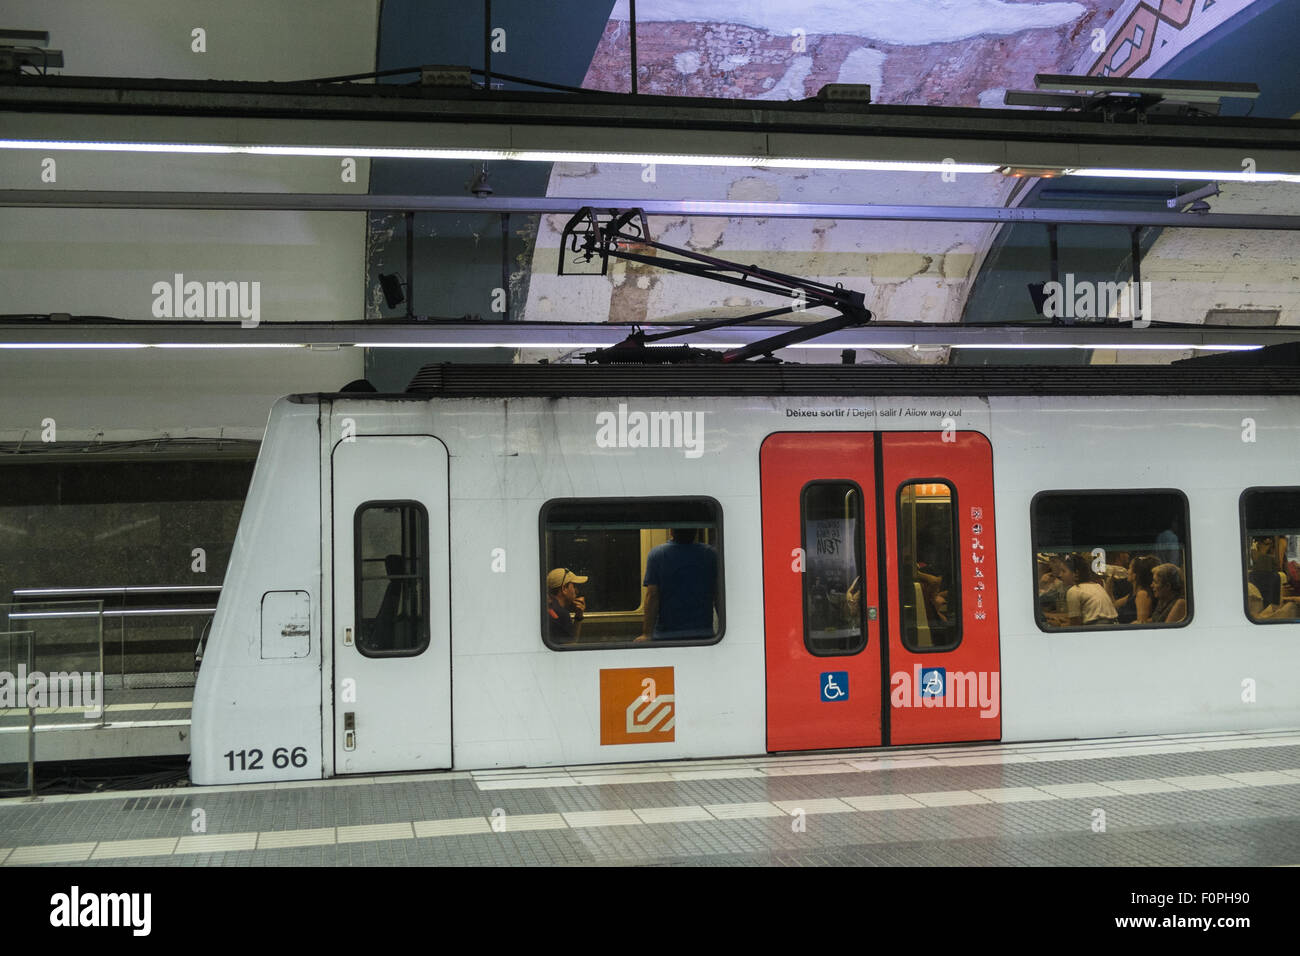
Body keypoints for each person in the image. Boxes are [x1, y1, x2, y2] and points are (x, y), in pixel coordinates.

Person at [638, 528, 718, 641]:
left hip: (666, 634)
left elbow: (652, 596)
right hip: (703, 632)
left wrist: (647, 634)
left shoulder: (657, 554)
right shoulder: (710, 554)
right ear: (695, 531)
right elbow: (719, 594)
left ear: (671, 531)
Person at [1059, 552, 1118, 626]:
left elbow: (1075, 625)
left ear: (1076, 574)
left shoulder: (1074, 591)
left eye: (1063, 571)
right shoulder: (1097, 586)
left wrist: (1060, 625)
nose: (1060, 575)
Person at [1108, 555, 1157, 625]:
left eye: (1130, 568)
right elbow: (1114, 605)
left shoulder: (1142, 594)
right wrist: (1109, 587)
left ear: (1135, 575)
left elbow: (1141, 623)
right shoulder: (1133, 593)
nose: (1127, 571)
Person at [546, 567, 587, 643]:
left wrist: (578, 615)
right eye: (574, 586)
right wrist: (579, 619)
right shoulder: (561, 614)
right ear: (564, 588)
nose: (576, 591)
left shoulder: (547, 607)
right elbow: (571, 645)